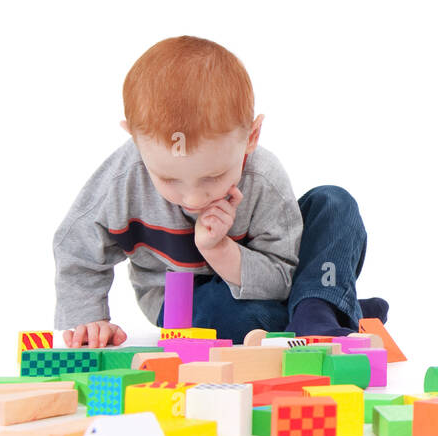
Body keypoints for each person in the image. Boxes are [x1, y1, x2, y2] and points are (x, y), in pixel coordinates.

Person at [53, 36, 387, 347]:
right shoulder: (122, 180)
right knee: (221, 321)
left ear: (251, 137)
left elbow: (281, 278)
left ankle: (316, 311)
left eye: (213, 176)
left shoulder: (264, 177)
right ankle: (330, 305)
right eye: (169, 179)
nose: (195, 199)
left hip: (270, 284)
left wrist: (220, 251)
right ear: (136, 140)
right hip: (186, 305)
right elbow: (76, 243)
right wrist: (89, 320)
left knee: (334, 202)